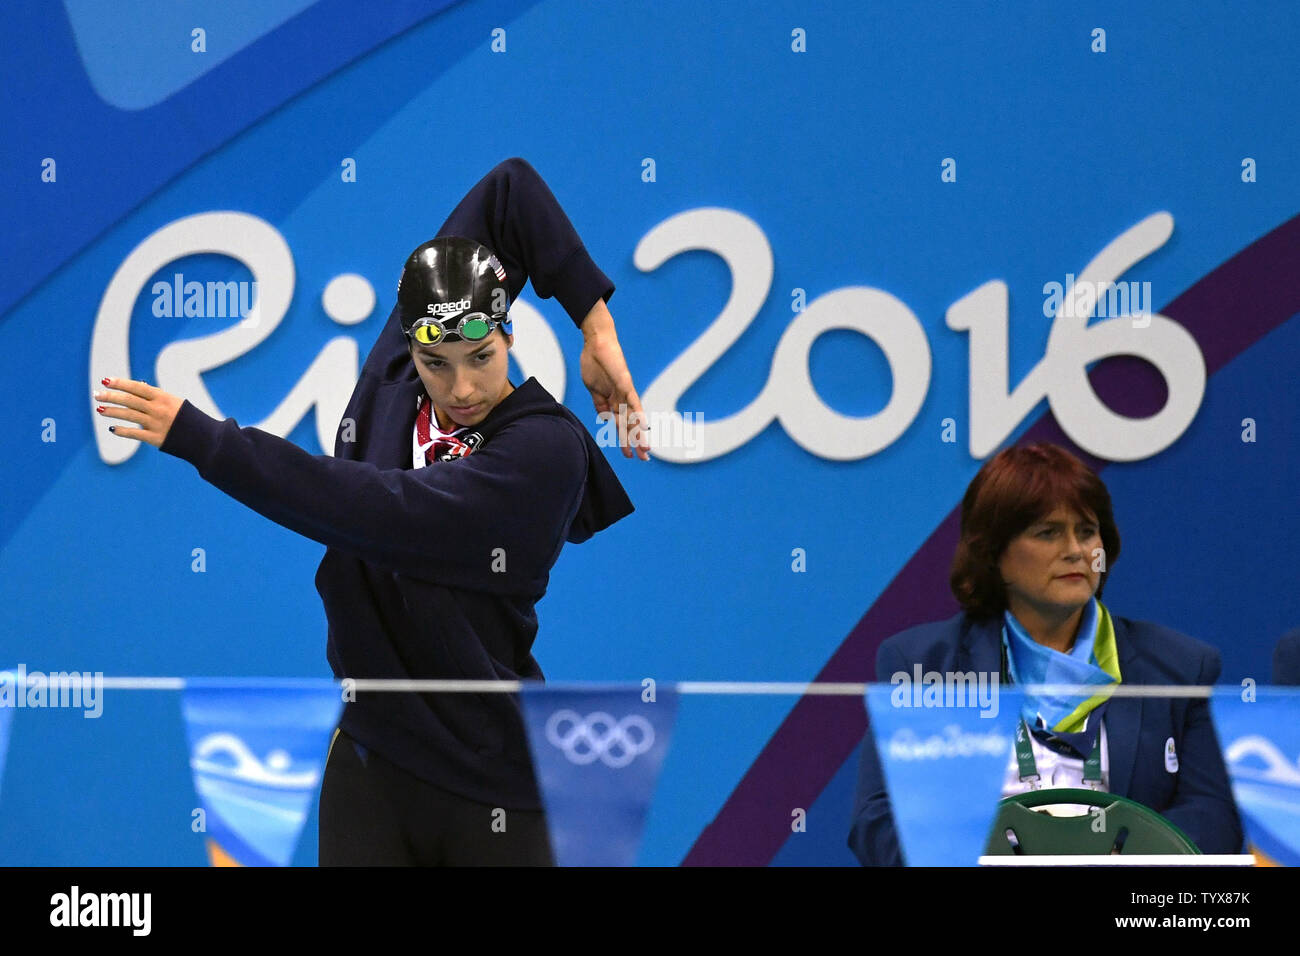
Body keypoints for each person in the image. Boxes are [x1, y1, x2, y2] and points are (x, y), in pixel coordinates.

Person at [94, 158, 642, 865]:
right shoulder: (393, 379)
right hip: (370, 764)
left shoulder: (546, 453)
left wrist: (204, 440)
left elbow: (378, 511)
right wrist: (591, 317)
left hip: (491, 786)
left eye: (482, 355)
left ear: (510, 336)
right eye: (437, 362)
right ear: (409, 345)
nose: (463, 384)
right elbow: (508, 191)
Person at [847, 442, 1243, 865]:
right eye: (1048, 532)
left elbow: (1213, 817)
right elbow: (880, 822)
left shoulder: (1180, 667)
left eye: (1086, 531)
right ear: (994, 555)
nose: (1075, 550)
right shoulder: (927, 666)